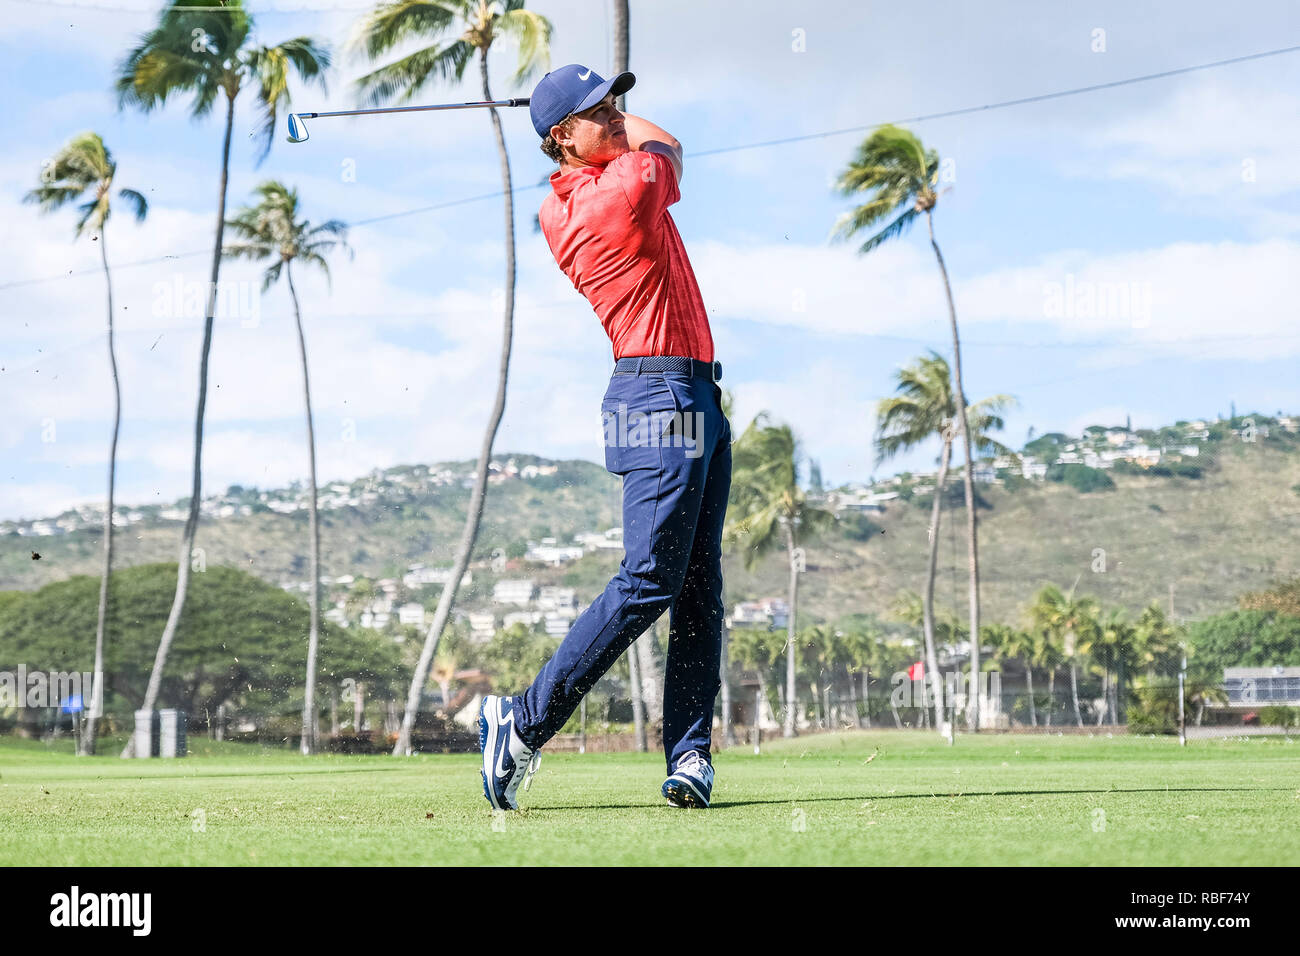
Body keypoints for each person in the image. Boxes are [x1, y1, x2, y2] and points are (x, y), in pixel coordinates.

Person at [479, 64, 731, 811]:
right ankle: (521, 724)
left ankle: (690, 756)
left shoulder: (581, 191)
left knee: (698, 585)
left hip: (690, 393)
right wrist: (621, 130)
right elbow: (671, 146)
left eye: (616, 102)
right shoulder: (614, 194)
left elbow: (648, 144)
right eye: (597, 112)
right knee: (651, 576)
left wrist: (599, 118)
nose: (617, 117)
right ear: (561, 136)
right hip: (658, 395)